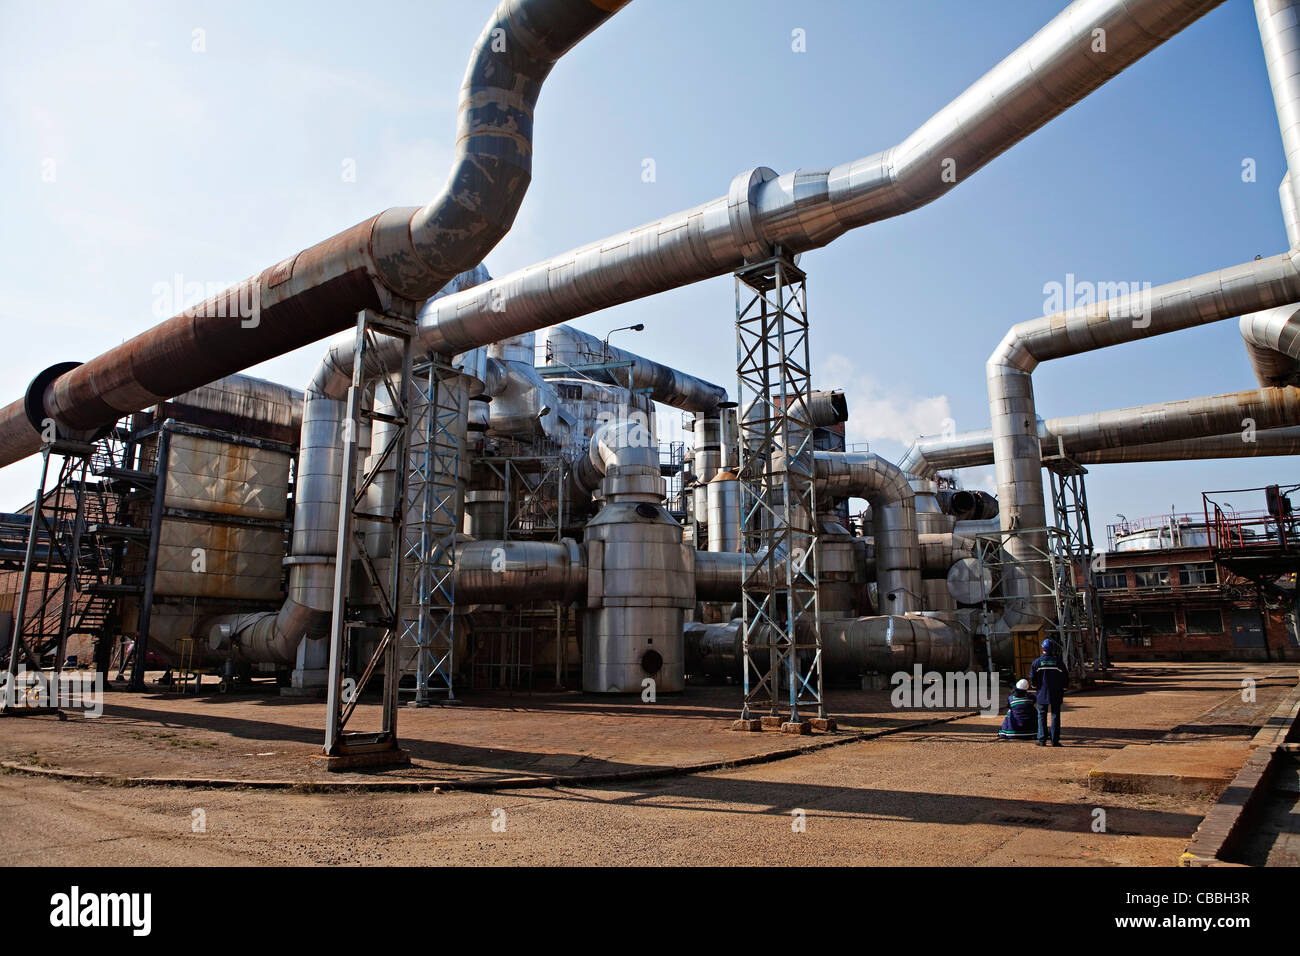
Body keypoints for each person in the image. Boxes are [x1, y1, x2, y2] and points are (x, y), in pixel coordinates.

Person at [1029, 638, 1068, 747]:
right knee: (1055, 715)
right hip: (1056, 693)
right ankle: (1055, 740)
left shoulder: (1036, 663)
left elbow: (1033, 678)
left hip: (1042, 693)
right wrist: (1063, 688)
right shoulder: (1058, 663)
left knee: (1041, 715)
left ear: (1043, 649)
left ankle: (1042, 740)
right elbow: (1065, 678)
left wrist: (1035, 687)